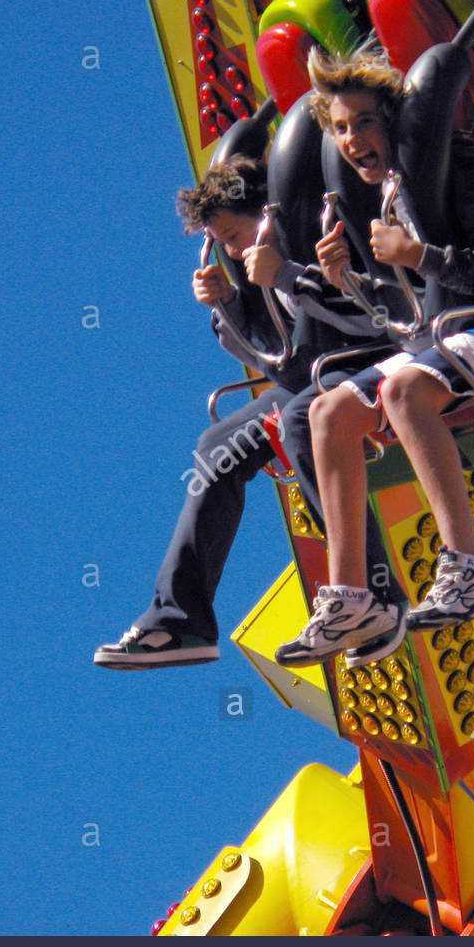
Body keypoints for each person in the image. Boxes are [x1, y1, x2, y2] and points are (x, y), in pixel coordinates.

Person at [274, 45, 474, 668]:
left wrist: (417, 255)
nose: (352, 140)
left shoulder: (452, 173)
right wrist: (352, 280)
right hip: (451, 335)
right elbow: (414, 311)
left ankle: (469, 569)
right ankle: (354, 600)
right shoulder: (391, 194)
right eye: (341, 128)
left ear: (396, 123)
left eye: (365, 123)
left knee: (404, 393)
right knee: (327, 415)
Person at [95, 154, 401, 669]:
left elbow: (378, 317)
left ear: (266, 215)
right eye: (222, 243)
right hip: (310, 379)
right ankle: (181, 620)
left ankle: (373, 595)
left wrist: (288, 276)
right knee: (216, 447)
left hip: (370, 362)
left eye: (234, 235)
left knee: (305, 421)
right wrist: (228, 305)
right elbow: (276, 360)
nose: (232, 250)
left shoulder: (318, 235)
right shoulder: (250, 272)